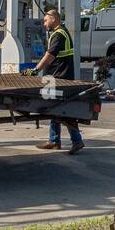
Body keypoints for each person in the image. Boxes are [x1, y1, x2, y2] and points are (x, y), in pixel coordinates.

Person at [31, 8, 84, 154]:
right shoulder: (61, 32)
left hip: (58, 78)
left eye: (45, 20)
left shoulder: (58, 34)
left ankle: (76, 140)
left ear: (53, 18)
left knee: (61, 110)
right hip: (59, 77)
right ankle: (54, 141)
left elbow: (50, 55)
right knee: (54, 109)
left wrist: (35, 69)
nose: (44, 23)